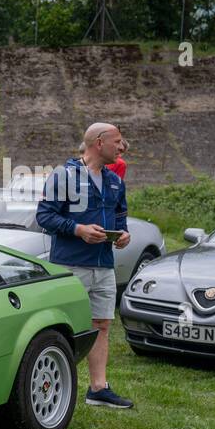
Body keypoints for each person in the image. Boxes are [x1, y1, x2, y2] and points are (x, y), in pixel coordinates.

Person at [37, 122, 133, 409]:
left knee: (101, 324)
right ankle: (51, 386)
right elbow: (45, 216)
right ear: (99, 143)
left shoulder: (116, 181)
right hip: (71, 265)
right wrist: (79, 229)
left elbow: (120, 219)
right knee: (63, 327)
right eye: (117, 141)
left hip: (103, 265)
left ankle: (98, 388)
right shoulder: (63, 176)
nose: (122, 146)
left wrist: (123, 235)